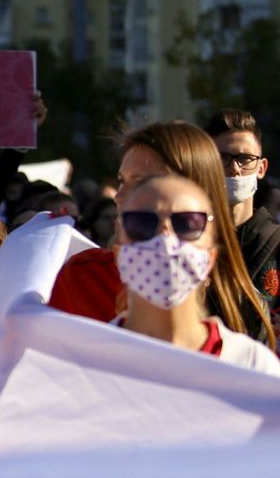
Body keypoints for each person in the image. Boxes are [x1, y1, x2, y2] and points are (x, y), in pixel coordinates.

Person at [50, 121, 274, 349]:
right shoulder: (83, 278)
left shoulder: (245, 309)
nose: (120, 196)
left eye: (142, 184)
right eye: (122, 181)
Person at [113, 174, 280, 374]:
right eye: (142, 223)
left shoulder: (253, 366)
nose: (165, 237)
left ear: (211, 257)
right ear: (118, 253)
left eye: (187, 224)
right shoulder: (83, 361)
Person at [204, 109, 280, 315]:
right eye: (223, 158)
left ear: (261, 168)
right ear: (207, 165)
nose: (235, 169)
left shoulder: (276, 241)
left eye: (245, 159)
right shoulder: (190, 240)